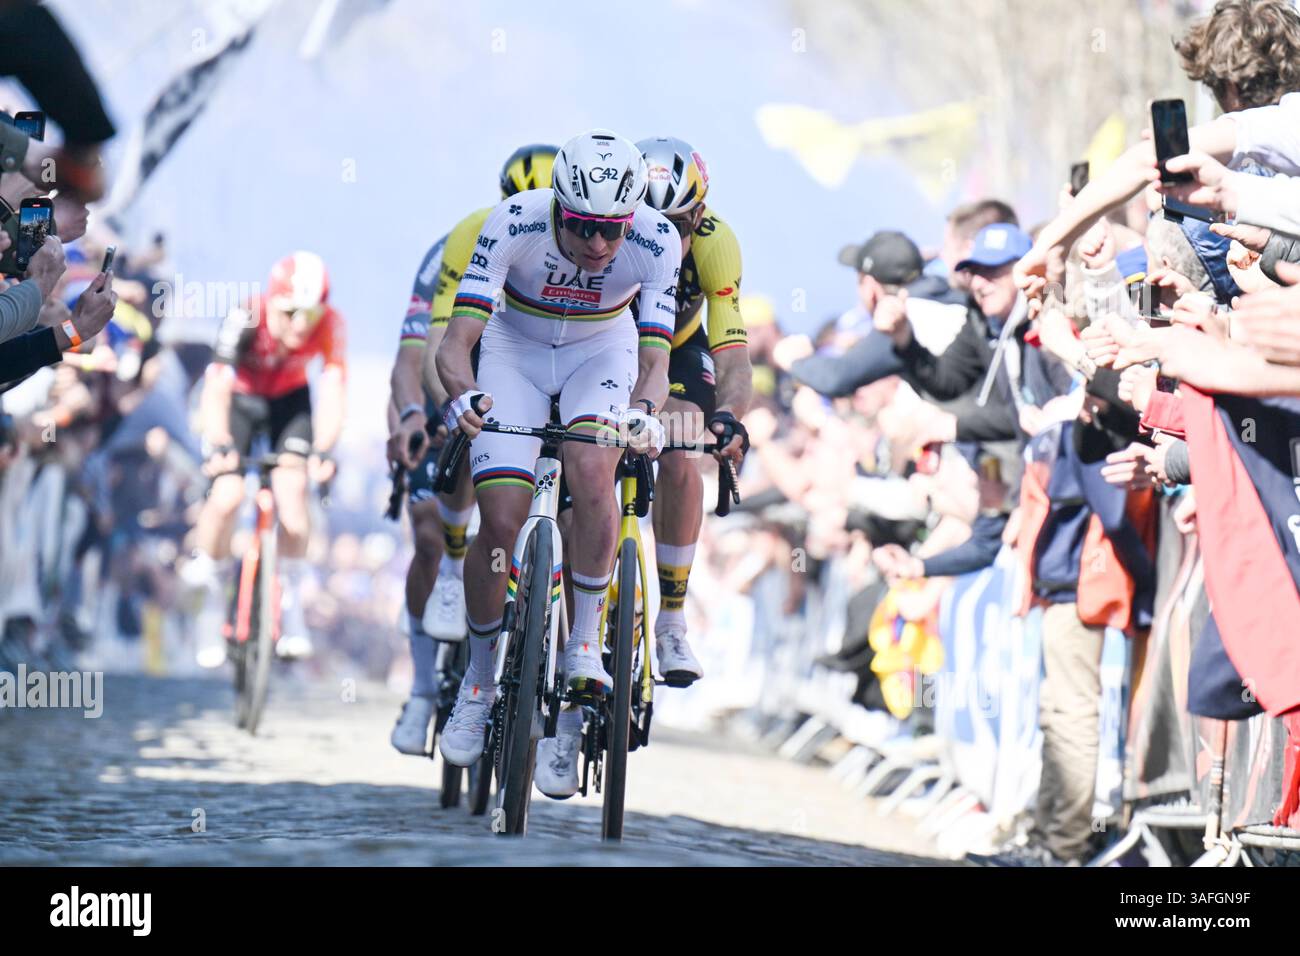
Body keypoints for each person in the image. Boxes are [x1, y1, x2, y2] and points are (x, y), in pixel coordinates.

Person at [435, 129, 680, 799]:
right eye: (582, 227)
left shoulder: (658, 240)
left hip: (600, 352)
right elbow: (458, 343)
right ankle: (479, 682)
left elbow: (656, 362)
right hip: (514, 346)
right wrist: (463, 395)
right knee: (502, 516)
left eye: (611, 231)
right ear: (557, 208)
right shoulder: (513, 221)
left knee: (592, 468)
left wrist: (646, 412)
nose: (599, 246)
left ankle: (581, 648)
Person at [388, 144, 557, 756]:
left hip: (543, 373)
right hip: (465, 375)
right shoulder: (467, 239)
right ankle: (421, 688)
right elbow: (421, 354)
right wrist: (432, 413)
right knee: (431, 533)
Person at [181, 251, 345, 666]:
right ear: (271, 301)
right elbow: (216, 384)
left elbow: (333, 388)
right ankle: (212, 593)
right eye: (290, 312)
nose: (300, 325)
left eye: (311, 314)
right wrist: (218, 441)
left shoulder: (329, 324)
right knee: (229, 494)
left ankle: (289, 608)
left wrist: (324, 449)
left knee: (292, 492)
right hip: (240, 400)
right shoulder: (246, 316)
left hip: (289, 404)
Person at [633, 136, 751, 687]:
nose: (659, 240)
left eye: (675, 226)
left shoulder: (716, 242)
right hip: (605, 343)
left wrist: (727, 415)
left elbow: (732, 353)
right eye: (644, 224)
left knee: (682, 450)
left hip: (678, 347)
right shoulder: (600, 228)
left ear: (699, 217)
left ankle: (672, 619)